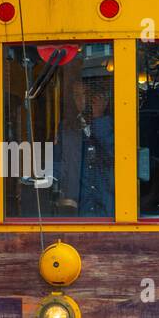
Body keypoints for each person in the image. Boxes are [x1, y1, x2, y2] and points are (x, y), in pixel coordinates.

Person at [52, 78, 114, 217]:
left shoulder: (111, 123)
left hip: (108, 202)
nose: (80, 99)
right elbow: (58, 161)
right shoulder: (67, 126)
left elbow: (114, 154)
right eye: (76, 95)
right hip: (78, 204)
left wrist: (99, 117)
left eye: (85, 94)